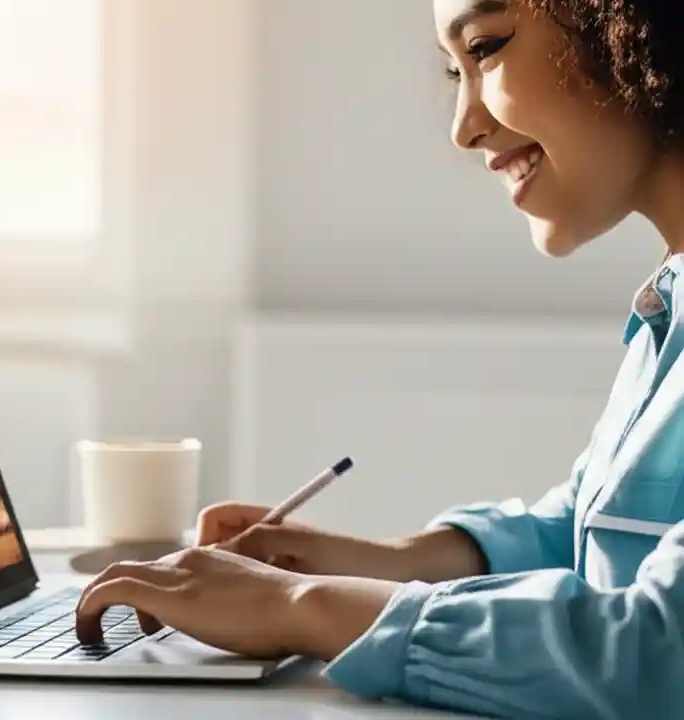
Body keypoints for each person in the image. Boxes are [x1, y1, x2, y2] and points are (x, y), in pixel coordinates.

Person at [74, 1, 684, 717]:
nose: (464, 128)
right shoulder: (666, 308)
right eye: (452, 71)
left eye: (485, 48)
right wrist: (378, 561)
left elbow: (656, 651)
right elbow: (581, 531)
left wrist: (302, 607)